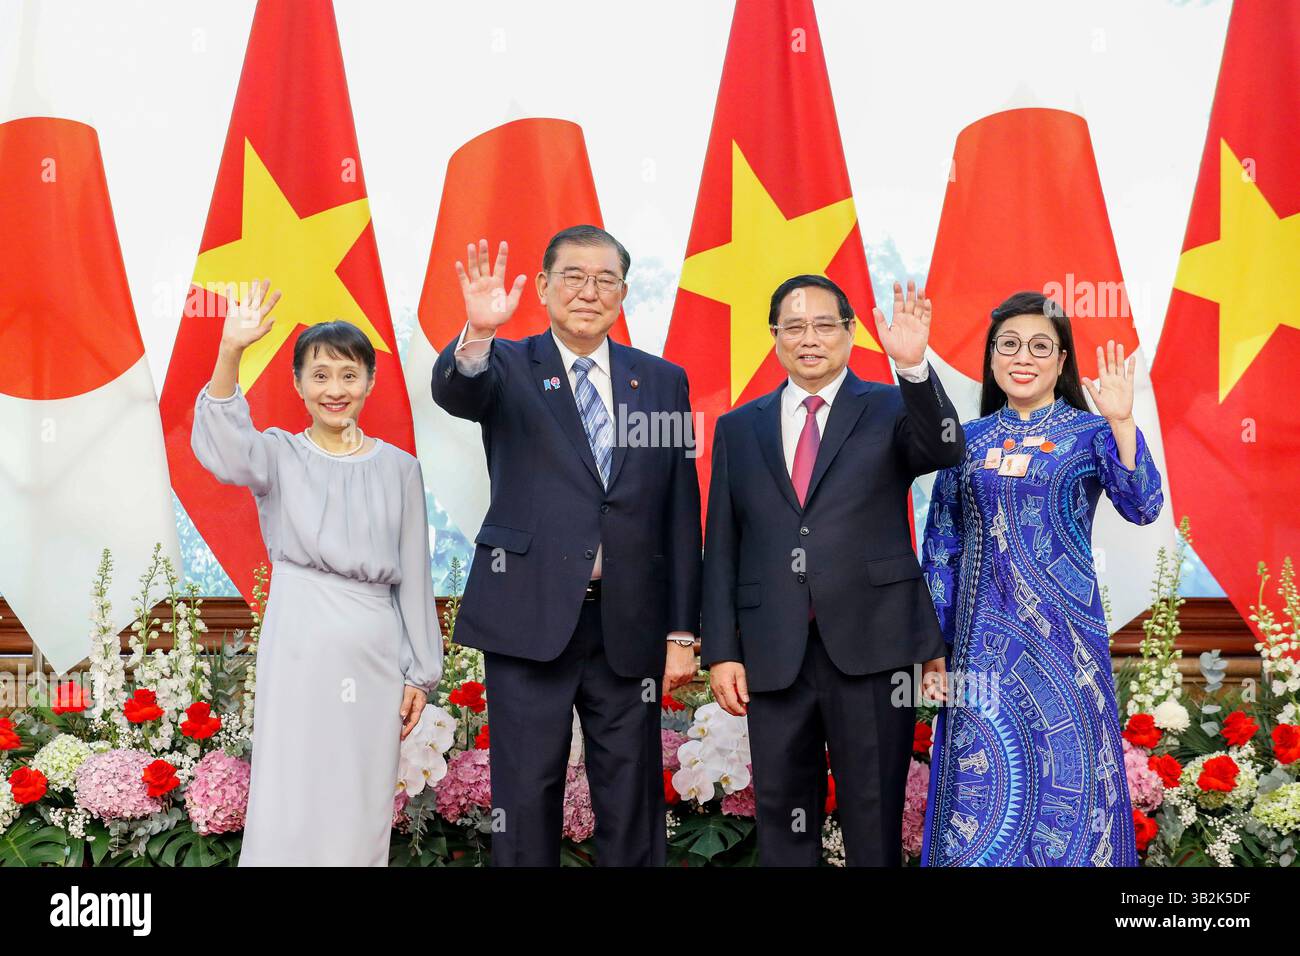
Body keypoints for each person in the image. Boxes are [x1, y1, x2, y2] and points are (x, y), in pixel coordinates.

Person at [430, 227, 702, 866]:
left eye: (605, 279)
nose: (589, 291)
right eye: (573, 276)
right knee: (523, 797)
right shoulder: (504, 365)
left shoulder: (660, 381)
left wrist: (683, 631)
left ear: (624, 294)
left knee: (632, 797)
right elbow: (457, 390)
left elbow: (679, 511)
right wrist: (476, 333)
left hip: (628, 621)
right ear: (545, 287)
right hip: (528, 615)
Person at [701, 275, 963, 866]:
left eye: (824, 325)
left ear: (849, 331)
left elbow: (945, 449)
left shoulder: (893, 407)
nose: (809, 338)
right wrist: (721, 649)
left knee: (874, 815)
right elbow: (722, 542)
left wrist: (915, 367)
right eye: (794, 327)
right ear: (774, 337)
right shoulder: (740, 427)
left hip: (873, 643)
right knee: (783, 816)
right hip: (773, 650)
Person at [191, 279, 442, 866]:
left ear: (371, 382)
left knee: (359, 790)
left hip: (374, 650)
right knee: (292, 781)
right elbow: (223, 450)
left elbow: (413, 573)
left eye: (349, 374)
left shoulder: (400, 469)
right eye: (321, 375)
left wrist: (419, 672)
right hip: (298, 636)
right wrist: (229, 350)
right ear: (298, 384)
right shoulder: (279, 453)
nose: (335, 389)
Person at [919, 291, 1164, 867]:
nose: (1022, 357)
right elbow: (942, 548)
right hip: (982, 651)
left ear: (1061, 362)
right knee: (978, 794)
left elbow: (1143, 504)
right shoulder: (967, 441)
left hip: (1068, 650)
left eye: (1039, 347)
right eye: (1009, 345)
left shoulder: (1091, 432)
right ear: (992, 358)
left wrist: (1124, 421)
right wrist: (933, 649)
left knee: (1072, 791)